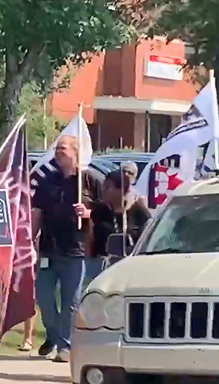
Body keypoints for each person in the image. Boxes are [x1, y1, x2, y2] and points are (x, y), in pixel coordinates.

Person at [32, 135, 99, 363]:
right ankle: (52, 334)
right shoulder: (47, 181)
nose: (59, 152)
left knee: (71, 301)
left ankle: (65, 345)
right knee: (43, 297)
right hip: (48, 249)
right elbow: (37, 213)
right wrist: (30, 241)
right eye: (57, 149)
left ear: (75, 152)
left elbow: (106, 212)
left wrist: (89, 213)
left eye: (63, 148)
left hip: (76, 250)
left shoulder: (89, 181)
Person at [88, 169, 151, 278]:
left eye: (107, 188)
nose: (103, 191)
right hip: (101, 266)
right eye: (103, 187)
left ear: (121, 190)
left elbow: (146, 239)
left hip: (130, 266)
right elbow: (90, 239)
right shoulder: (98, 211)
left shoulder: (137, 211)